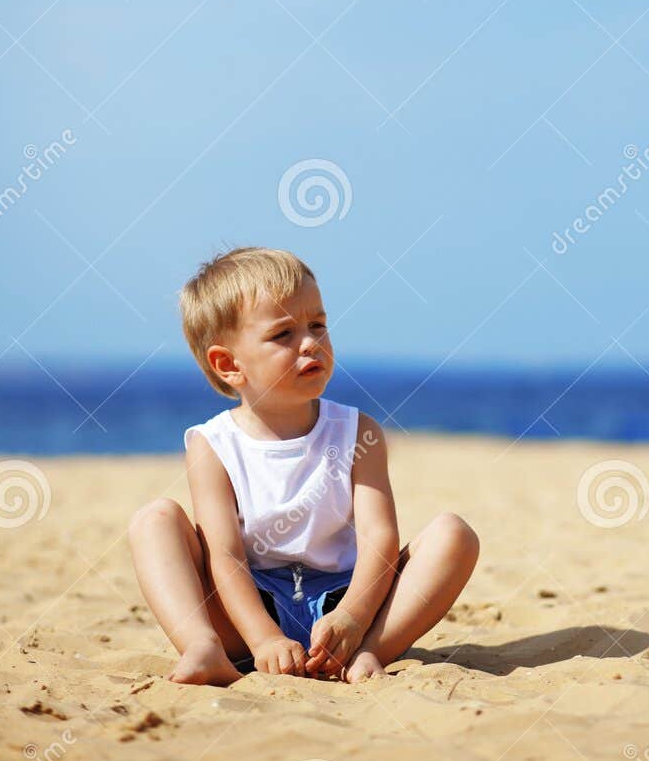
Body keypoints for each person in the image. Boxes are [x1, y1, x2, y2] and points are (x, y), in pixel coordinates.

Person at [128, 246, 479, 685]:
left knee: (454, 534)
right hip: (248, 611)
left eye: (317, 325)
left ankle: (371, 653)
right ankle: (203, 645)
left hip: (349, 605)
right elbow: (226, 556)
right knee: (154, 519)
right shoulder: (212, 444)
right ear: (229, 364)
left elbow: (380, 537)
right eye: (283, 334)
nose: (311, 342)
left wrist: (353, 617)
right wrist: (263, 641)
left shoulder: (357, 431)